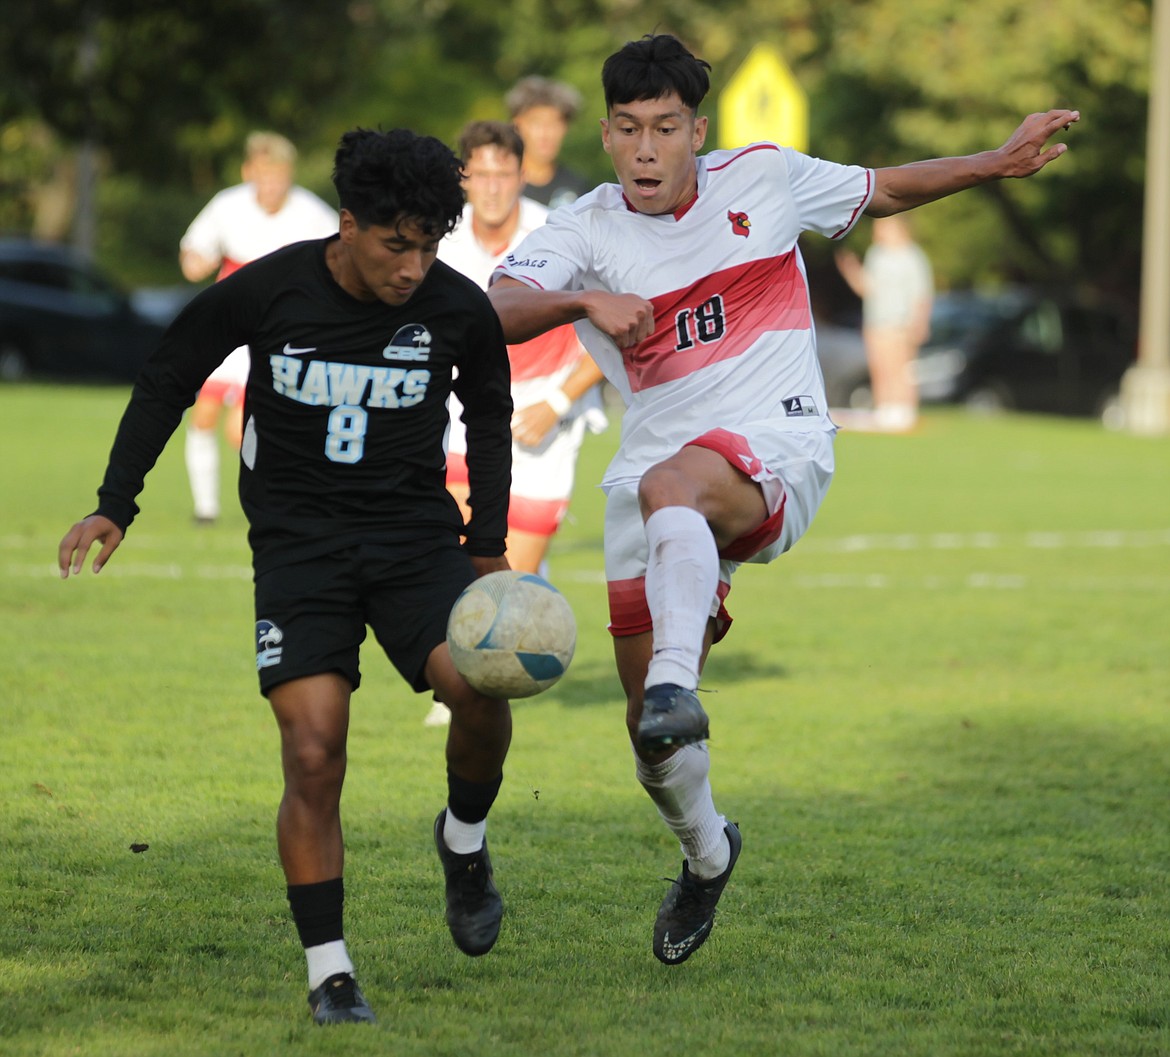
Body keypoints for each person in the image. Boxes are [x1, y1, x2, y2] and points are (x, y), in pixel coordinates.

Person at [488, 33, 1079, 966]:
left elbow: (884, 185)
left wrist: (997, 163)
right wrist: (578, 306)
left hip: (780, 443)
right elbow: (497, 303)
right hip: (650, 477)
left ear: (699, 131)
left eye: (667, 128)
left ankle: (683, 678)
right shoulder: (587, 229)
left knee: (671, 493)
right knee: (651, 742)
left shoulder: (763, 180)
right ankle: (708, 854)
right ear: (605, 135)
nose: (647, 150)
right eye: (630, 130)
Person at [58, 128, 517, 1026]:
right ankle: (330, 970)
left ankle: (463, 839)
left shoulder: (457, 308)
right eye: (396, 244)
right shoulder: (271, 289)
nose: (414, 266)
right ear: (348, 223)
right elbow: (167, 375)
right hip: (301, 549)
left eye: (429, 245)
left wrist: (488, 545)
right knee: (314, 747)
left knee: (480, 686)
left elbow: (490, 415)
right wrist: (117, 499)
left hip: (416, 542)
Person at [424, 120, 605, 730]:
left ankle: (485, 679)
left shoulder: (557, 237)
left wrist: (555, 400)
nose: (493, 187)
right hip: (460, 413)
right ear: (463, 179)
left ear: (522, 176)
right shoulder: (441, 240)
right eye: (481, 174)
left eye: (505, 174)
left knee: (509, 572)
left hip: (544, 420)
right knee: (459, 552)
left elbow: (608, 326)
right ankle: (457, 690)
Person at [179, 131, 338, 523]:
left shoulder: (312, 213)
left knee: (243, 428)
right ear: (248, 171)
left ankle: (278, 499)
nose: (271, 185)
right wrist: (194, 261)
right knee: (203, 414)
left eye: (279, 175)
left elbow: (341, 258)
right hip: (228, 323)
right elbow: (194, 249)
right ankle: (206, 511)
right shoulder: (227, 205)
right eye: (264, 175)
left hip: (280, 331)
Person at [835, 214, 934, 431]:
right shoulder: (876, 255)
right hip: (876, 321)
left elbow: (922, 294)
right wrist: (850, 269)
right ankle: (885, 409)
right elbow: (867, 289)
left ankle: (904, 410)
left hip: (900, 322)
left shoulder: (912, 256)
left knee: (900, 367)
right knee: (880, 366)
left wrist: (920, 323)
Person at [506, 76, 593, 209]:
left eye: (554, 123)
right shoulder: (499, 185)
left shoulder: (579, 188)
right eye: (537, 123)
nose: (546, 134)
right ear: (517, 124)